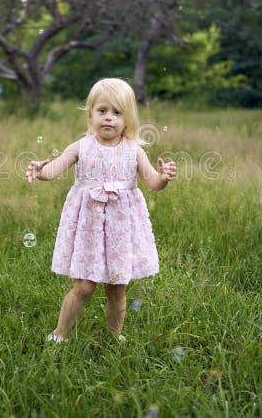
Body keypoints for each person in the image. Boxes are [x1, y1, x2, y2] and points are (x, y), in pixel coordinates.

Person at [26, 78, 177, 342]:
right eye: (102, 111)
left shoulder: (134, 151)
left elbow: (153, 183)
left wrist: (163, 177)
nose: (109, 118)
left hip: (120, 229)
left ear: (127, 118)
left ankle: (114, 335)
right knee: (84, 286)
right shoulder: (81, 147)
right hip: (89, 227)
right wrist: (41, 171)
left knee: (117, 287)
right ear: (91, 114)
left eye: (117, 112)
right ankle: (59, 334)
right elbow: (55, 168)